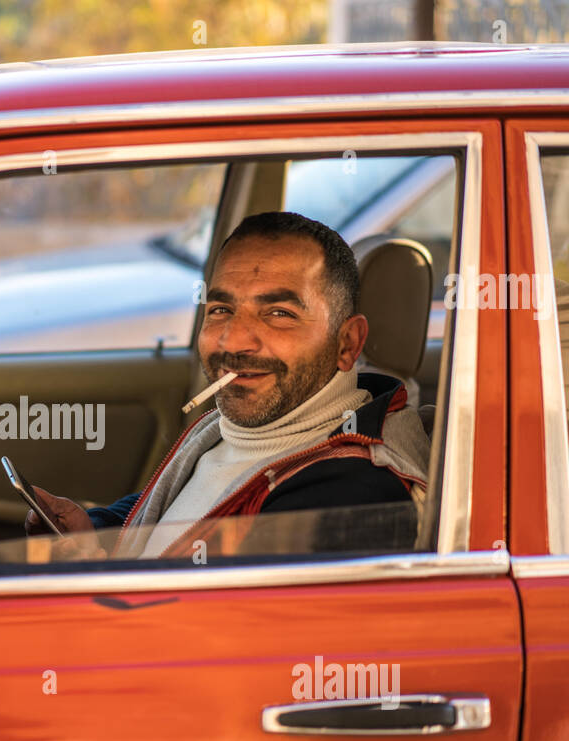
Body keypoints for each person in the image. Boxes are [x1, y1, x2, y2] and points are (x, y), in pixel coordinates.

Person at [24, 211, 430, 559]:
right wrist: (96, 530)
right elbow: (190, 507)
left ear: (347, 344)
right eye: (221, 309)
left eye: (278, 313)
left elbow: (222, 637)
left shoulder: (349, 494)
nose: (233, 340)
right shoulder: (251, 425)